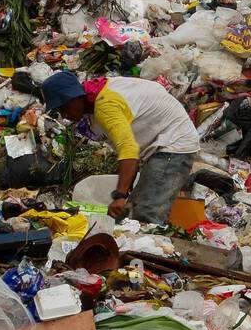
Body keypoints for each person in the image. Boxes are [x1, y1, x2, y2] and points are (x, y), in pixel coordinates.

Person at [41, 72, 200, 225]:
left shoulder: (105, 104)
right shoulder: (94, 101)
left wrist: (120, 195)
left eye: (64, 108)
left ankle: (153, 248)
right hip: (157, 144)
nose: (64, 115)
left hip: (173, 143)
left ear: (75, 97)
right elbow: (128, 147)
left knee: (146, 214)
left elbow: (128, 149)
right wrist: (126, 188)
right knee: (131, 214)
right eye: (59, 111)